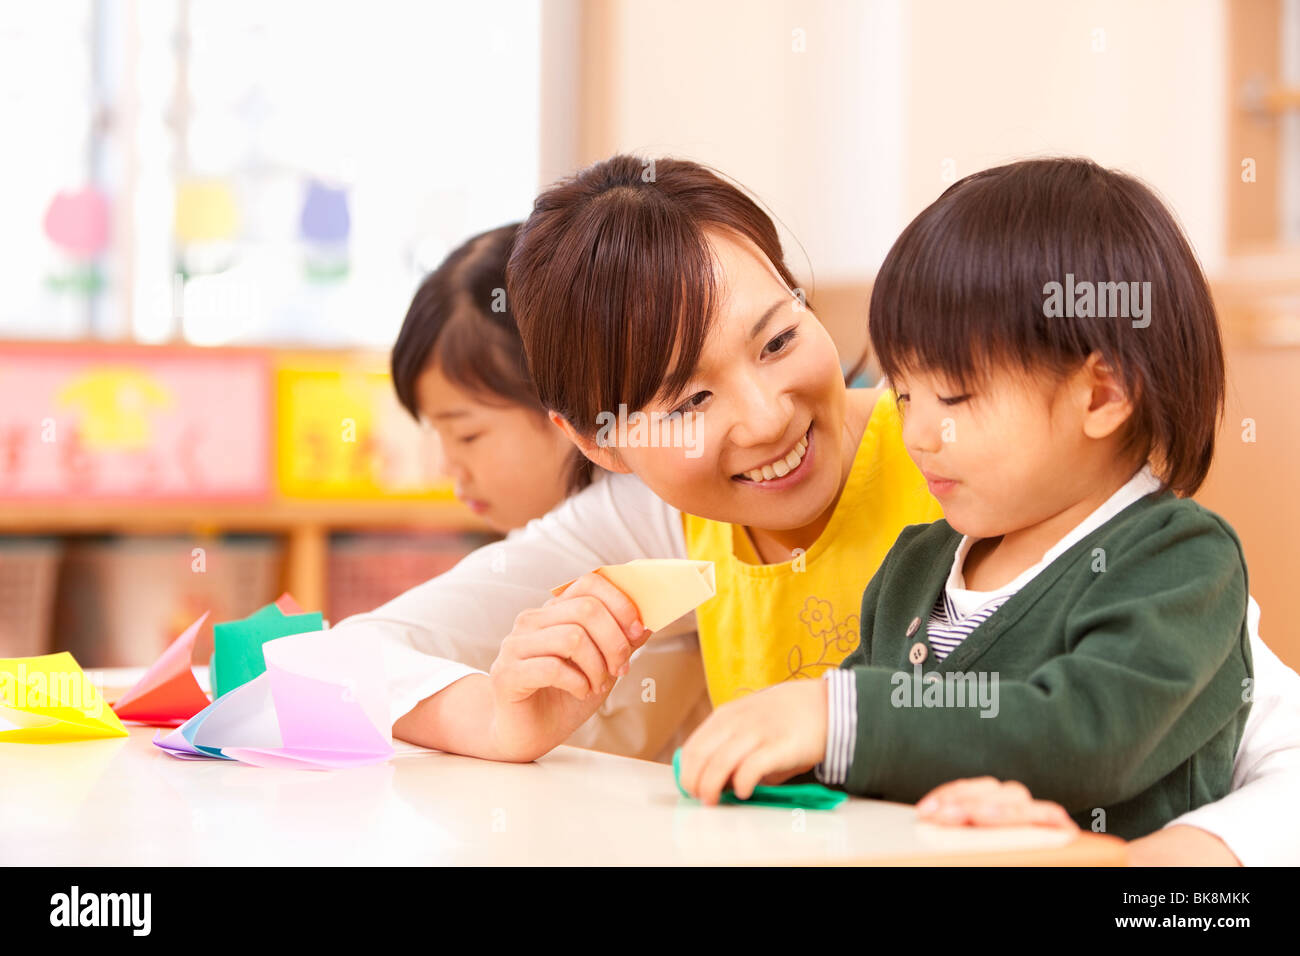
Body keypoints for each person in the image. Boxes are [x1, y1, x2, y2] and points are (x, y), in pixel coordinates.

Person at [331, 155, 1300, 864]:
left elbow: (1242, 753)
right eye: (688, 401)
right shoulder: (870, 545)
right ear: (599, 443)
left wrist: (1153, 873)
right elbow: (347, 660)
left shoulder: (1063, 507)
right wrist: (500, 715)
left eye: (778, 337)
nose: (765, 419)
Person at [675, 158, 1251, 840]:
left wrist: (836, 718)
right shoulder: (916, 566)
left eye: (953, 396)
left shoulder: (1179, 559)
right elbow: (856, 761)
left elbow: (1087, 732)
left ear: (1102, 394)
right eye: (907, 394)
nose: (915, 433)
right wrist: (775, 758)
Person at [391, 223, 595, 533]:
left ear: (574, 400)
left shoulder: (635, 521)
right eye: (438, 433)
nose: (448, 469)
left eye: (466, 435)